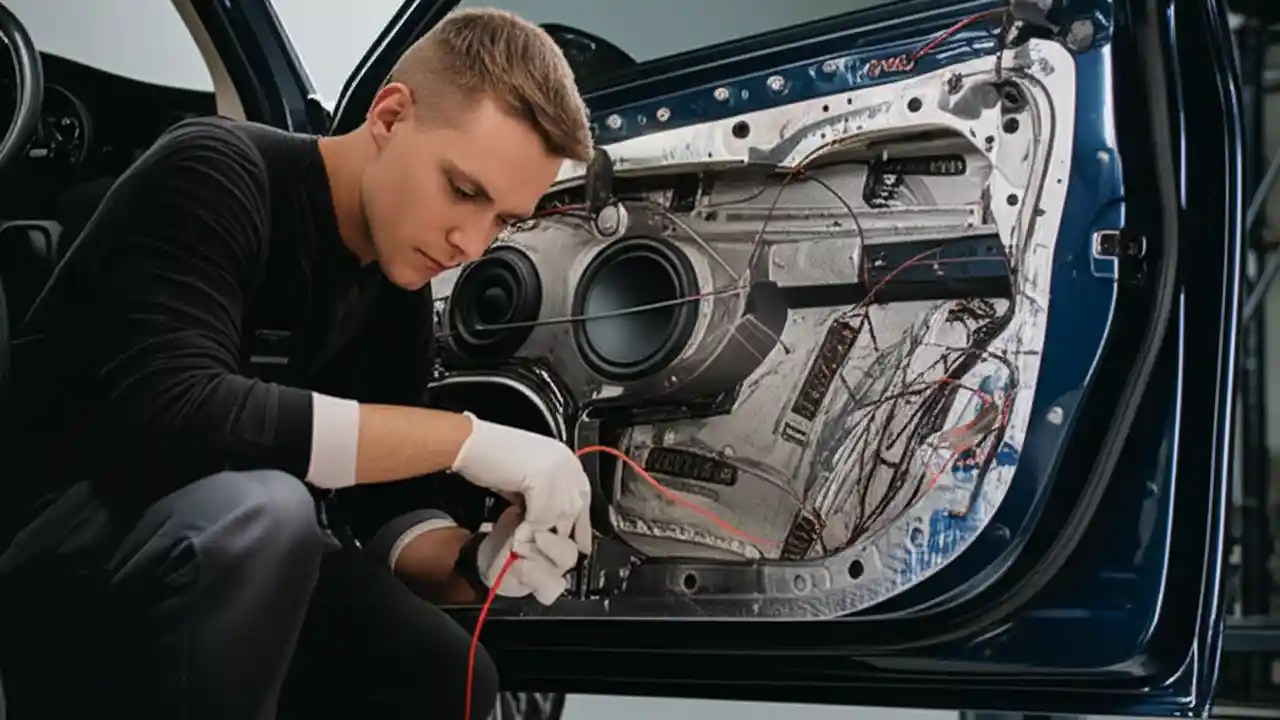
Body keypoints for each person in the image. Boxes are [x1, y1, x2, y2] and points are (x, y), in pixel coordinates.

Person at [0, 7, 595, 719]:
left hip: (223, 561)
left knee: (448, 670)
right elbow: (182, 409)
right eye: (463, 191)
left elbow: (387, 511)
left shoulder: (393, 283)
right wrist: (472, 440)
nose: (471, 241)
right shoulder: (219, 169)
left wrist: (480, 560)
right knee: (269, 512)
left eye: (503, 219)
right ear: (390, 115)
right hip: (55, 554)